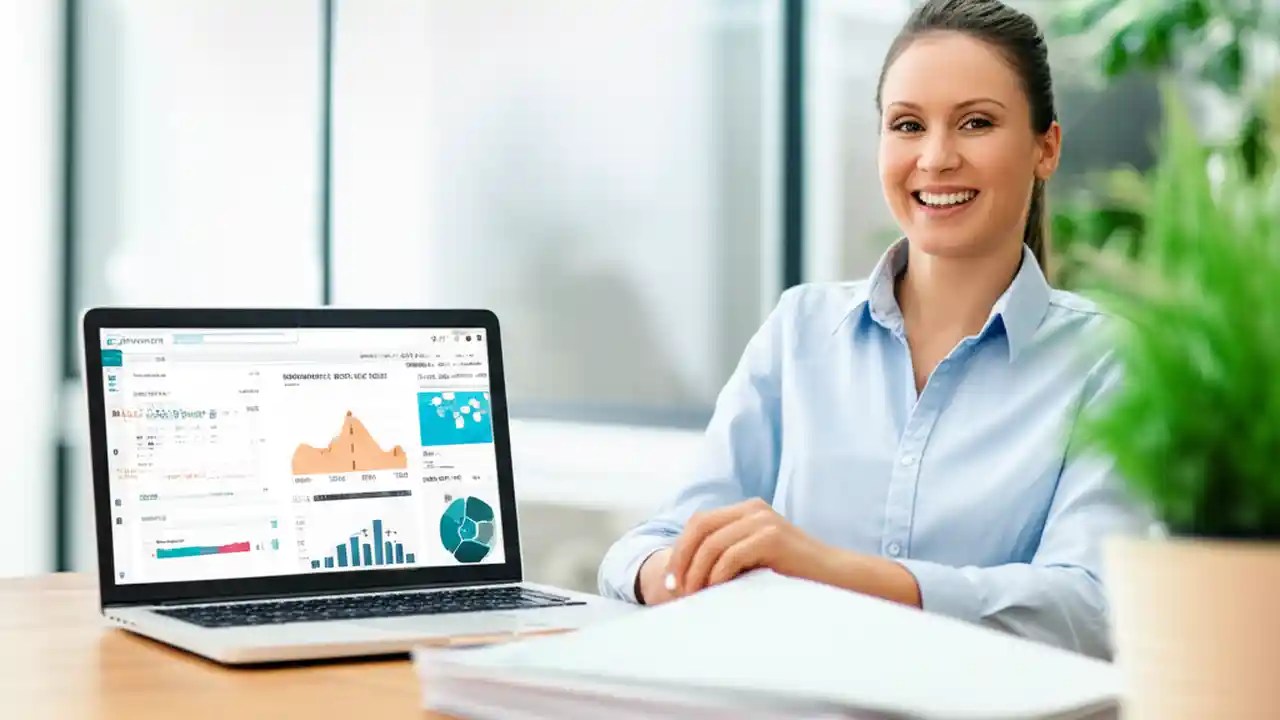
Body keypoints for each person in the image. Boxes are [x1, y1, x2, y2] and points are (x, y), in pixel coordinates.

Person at [597, 0, 1150, 660]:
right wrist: (676, 576)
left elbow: (1091, 609)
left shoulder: (1107, 361)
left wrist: (823, 570)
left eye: (976, 123)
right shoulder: (799, 331)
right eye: (908, 125)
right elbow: (649, 545)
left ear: (1045, 148)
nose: (936, 157)